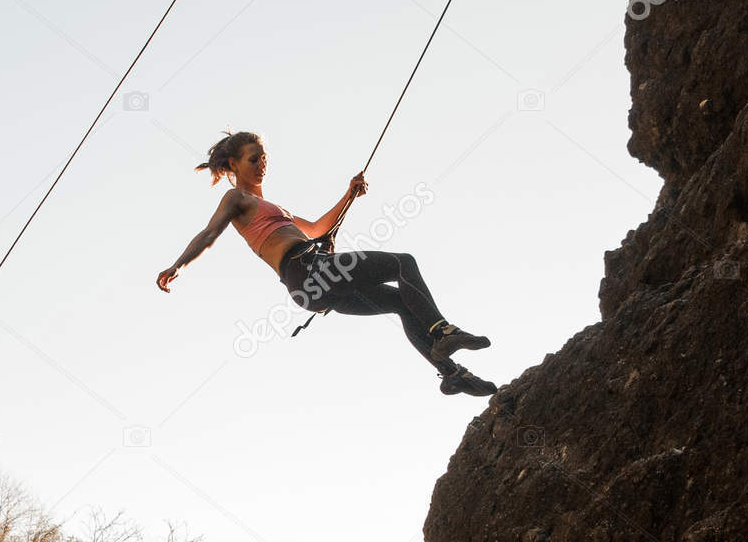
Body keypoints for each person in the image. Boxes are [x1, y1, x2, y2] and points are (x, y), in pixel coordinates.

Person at [156, 130, 497, 395]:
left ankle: (452, 376)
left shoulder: (276, 209)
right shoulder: (237, 199)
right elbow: (209, 233)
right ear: (233, 165)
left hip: (311, 288)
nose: (262, 164)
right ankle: (442, 331)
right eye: (253, 159)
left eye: (264, 157)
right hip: (306, 271)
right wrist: (178, 266)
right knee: (403, 263)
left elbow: (320, 228)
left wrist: (349, 195)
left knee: (401, 302)